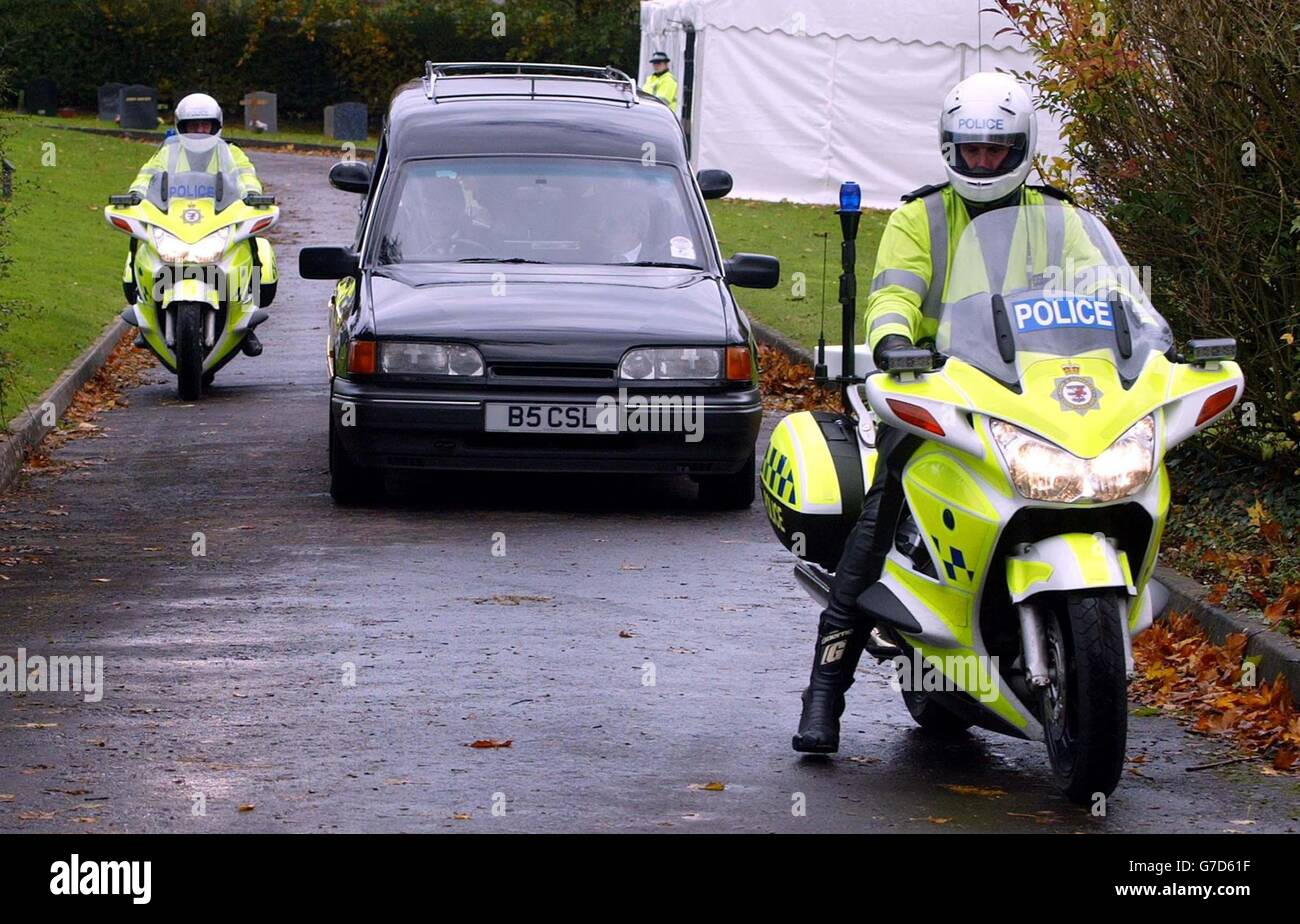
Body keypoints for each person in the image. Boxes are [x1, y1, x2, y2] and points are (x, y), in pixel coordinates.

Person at [792, 72, 1092, 753]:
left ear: (1022, 148)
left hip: (1036, 398)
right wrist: (895, 342)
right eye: (970, 150)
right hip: (937, 396)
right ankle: (823, 695)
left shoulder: (1060, 221)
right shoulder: (918, 217)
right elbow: (893, 293)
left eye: (995, 150)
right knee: (880, 517)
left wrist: (1137, 335)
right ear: (949, 149)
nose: (982, 162)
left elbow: (1103, 292)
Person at [122, 93, 268, 354]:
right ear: (182, 127)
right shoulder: (167, 152)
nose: (199, 131)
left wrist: (253, 195)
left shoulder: (231, 152)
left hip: (218, 215)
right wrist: (136, 194)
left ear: (215, 126)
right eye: (193, 126)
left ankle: (247, 323)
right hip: (175, 215)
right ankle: (145, 317)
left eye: (205, 125)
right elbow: (148, 175)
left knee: (251, 246)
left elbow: (246, 176)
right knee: (139, 241)